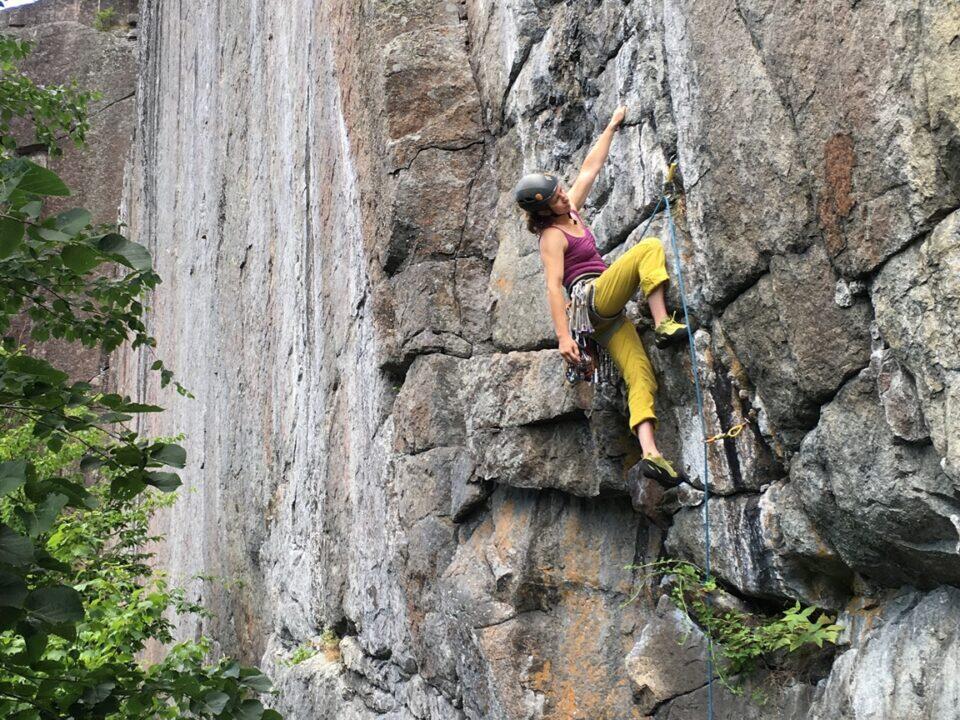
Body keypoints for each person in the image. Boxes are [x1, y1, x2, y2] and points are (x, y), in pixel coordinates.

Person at [512, 105, 689, 485]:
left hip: (605, 317)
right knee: (648, 248)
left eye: (561, 191)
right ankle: (662, 324)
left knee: (641, 374)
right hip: (589, 300)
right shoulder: (552, 237)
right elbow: (552, 286)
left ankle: (651, 454)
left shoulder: (570, 211)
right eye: (557, 198)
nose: (564, 196)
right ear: (543, 211)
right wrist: (562, 337)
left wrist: (610, 126)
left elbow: (590, 168)